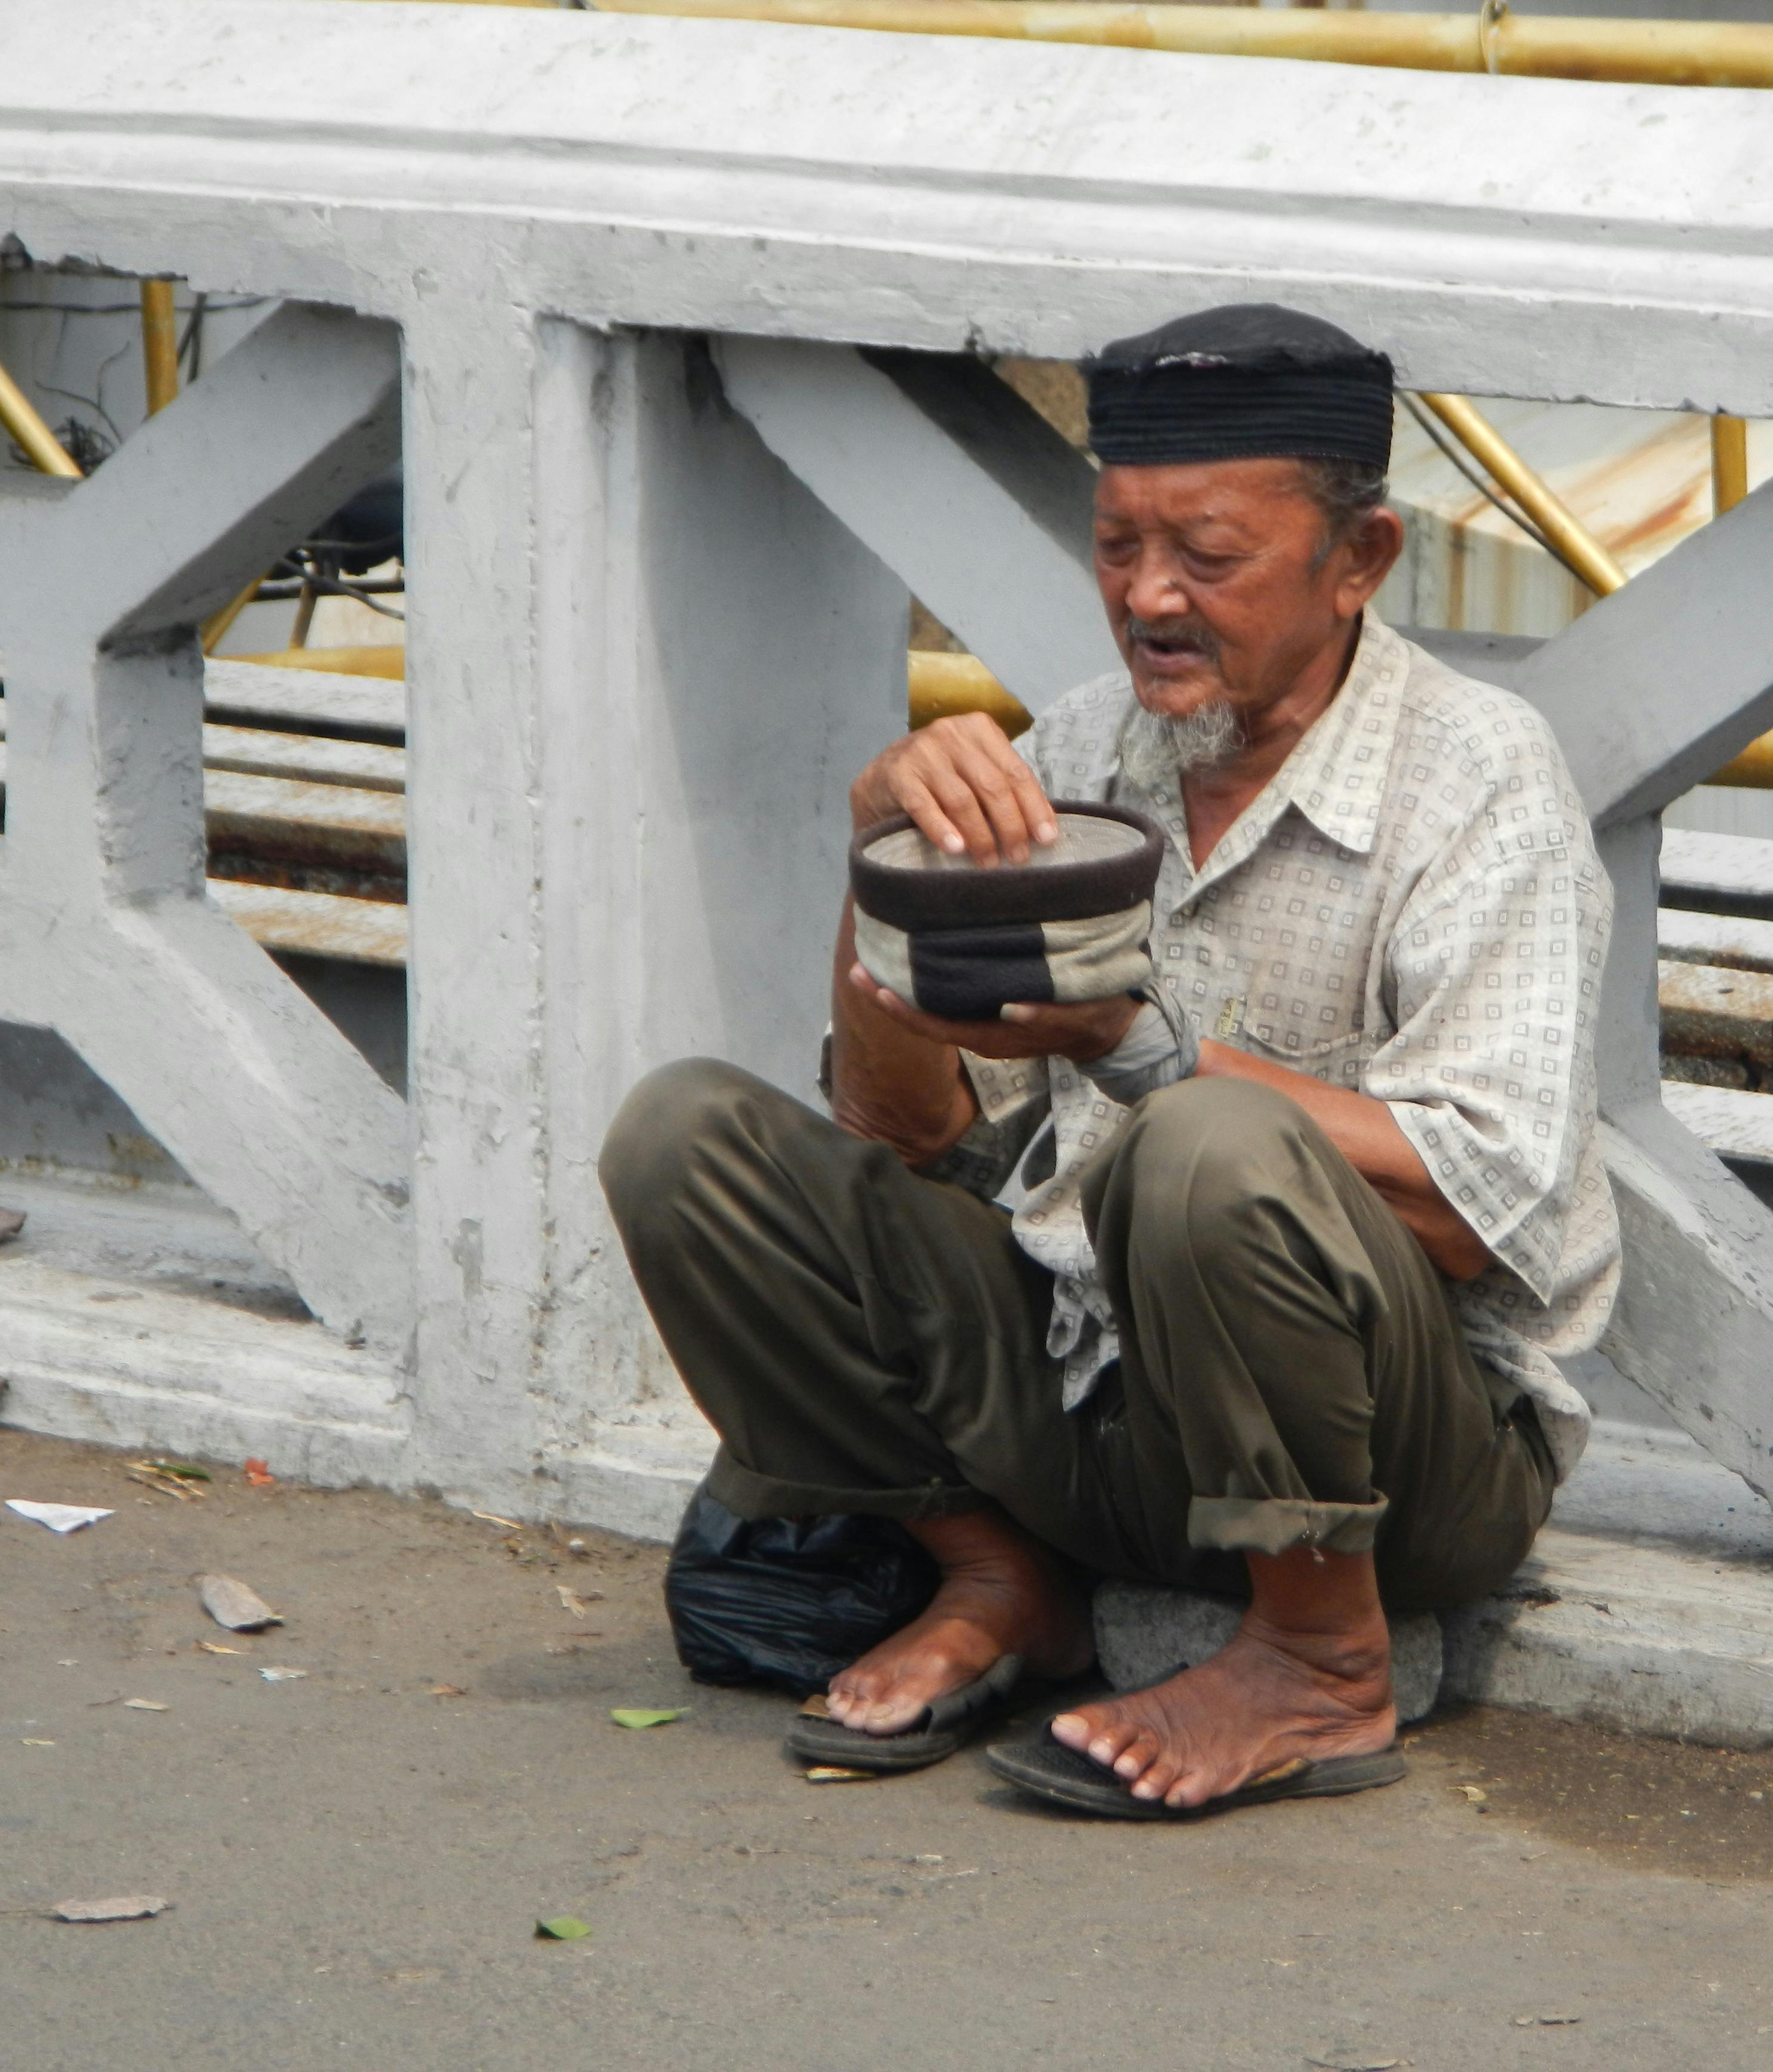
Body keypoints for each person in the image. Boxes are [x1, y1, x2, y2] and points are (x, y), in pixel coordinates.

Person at [600, 303, 1618, 1817]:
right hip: (1095, 1416)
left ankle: (1320, 1660)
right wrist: (883, 863)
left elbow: (1479, 1213)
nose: (1147, 596)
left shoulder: (1482, 779)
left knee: (1203, 1142)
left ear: (1361, 563)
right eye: (1116, 546)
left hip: (1403, 1464)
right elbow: (901, 1134)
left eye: (1207, 557)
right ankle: (1003, 1577)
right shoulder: (1078, 748)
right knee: (686, 1139)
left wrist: (1146, 1051)